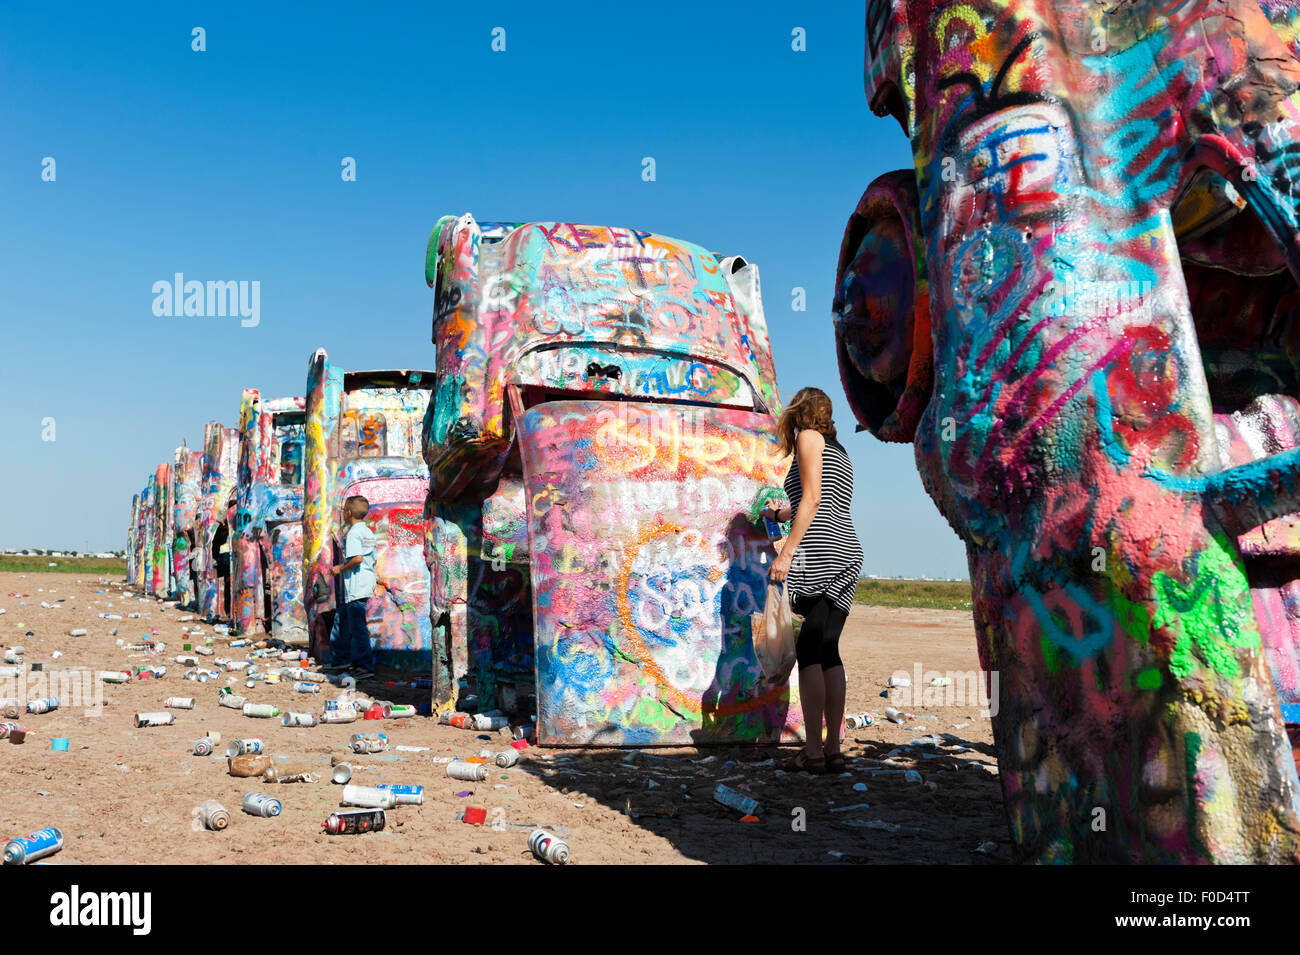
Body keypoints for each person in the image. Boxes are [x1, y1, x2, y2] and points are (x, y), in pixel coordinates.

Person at [761, 387, 864, 774]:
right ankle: (833, 750)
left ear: (799, 412)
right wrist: (780, 513)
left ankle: (814, 752)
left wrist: (785, 553)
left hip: (820, 553)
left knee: (808, 652)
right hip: (848, 551)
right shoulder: (841, 452)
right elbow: (818, 499)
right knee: (828, 650)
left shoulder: (807, 437)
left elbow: (814, 501)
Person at [324, 495, 377, 680]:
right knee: (342, 621)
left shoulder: (354, 533)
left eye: (343, 511)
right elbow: (371, 558)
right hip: (364, 583)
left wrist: (340, 568)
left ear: (348, 513)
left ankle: (364, 666)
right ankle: (341, 659)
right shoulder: (368, 532)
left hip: (356, 586)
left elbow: (357, 559)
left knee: (357, 627)